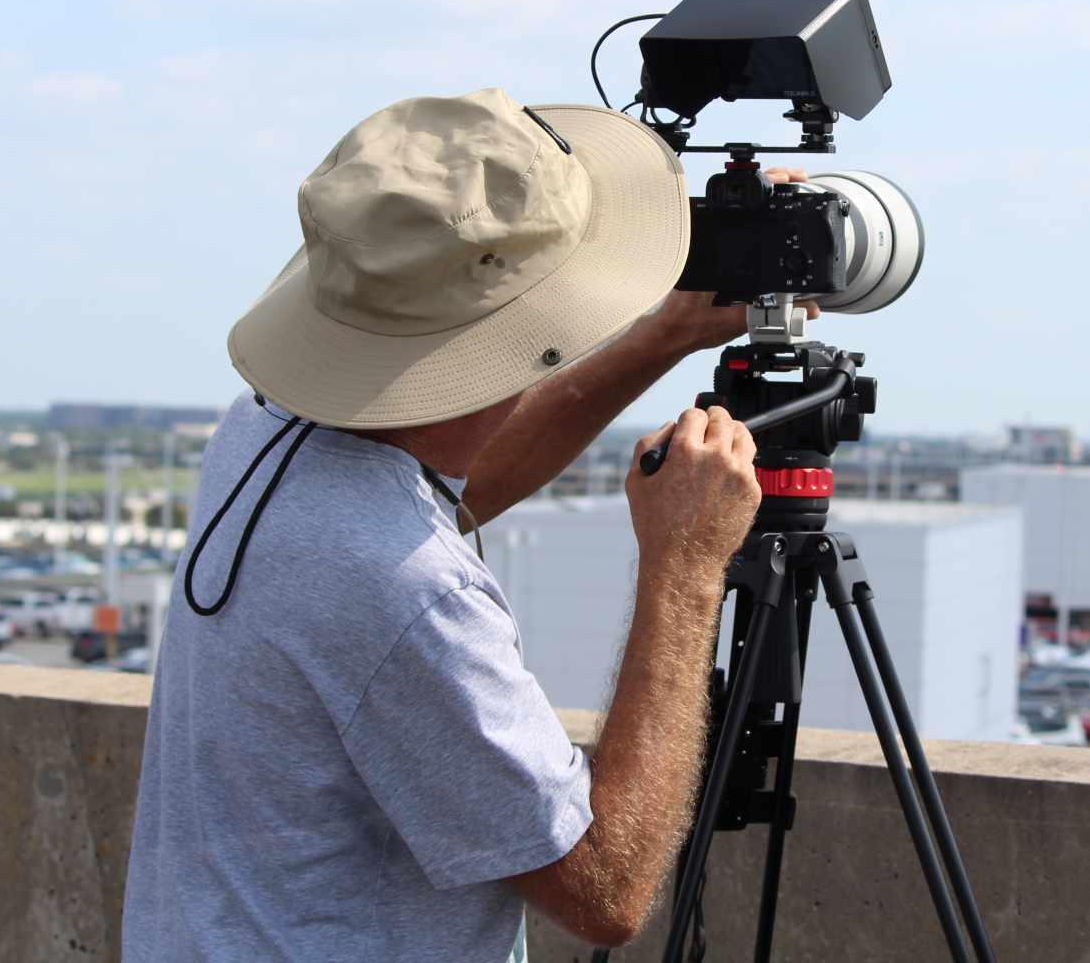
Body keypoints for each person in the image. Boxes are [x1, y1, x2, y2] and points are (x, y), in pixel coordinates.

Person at [122, 88, 811, 961]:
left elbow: (454, 466)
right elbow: (605, 889)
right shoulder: (407, 587)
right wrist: (687, 566)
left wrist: (661, 335)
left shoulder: (263, 429)